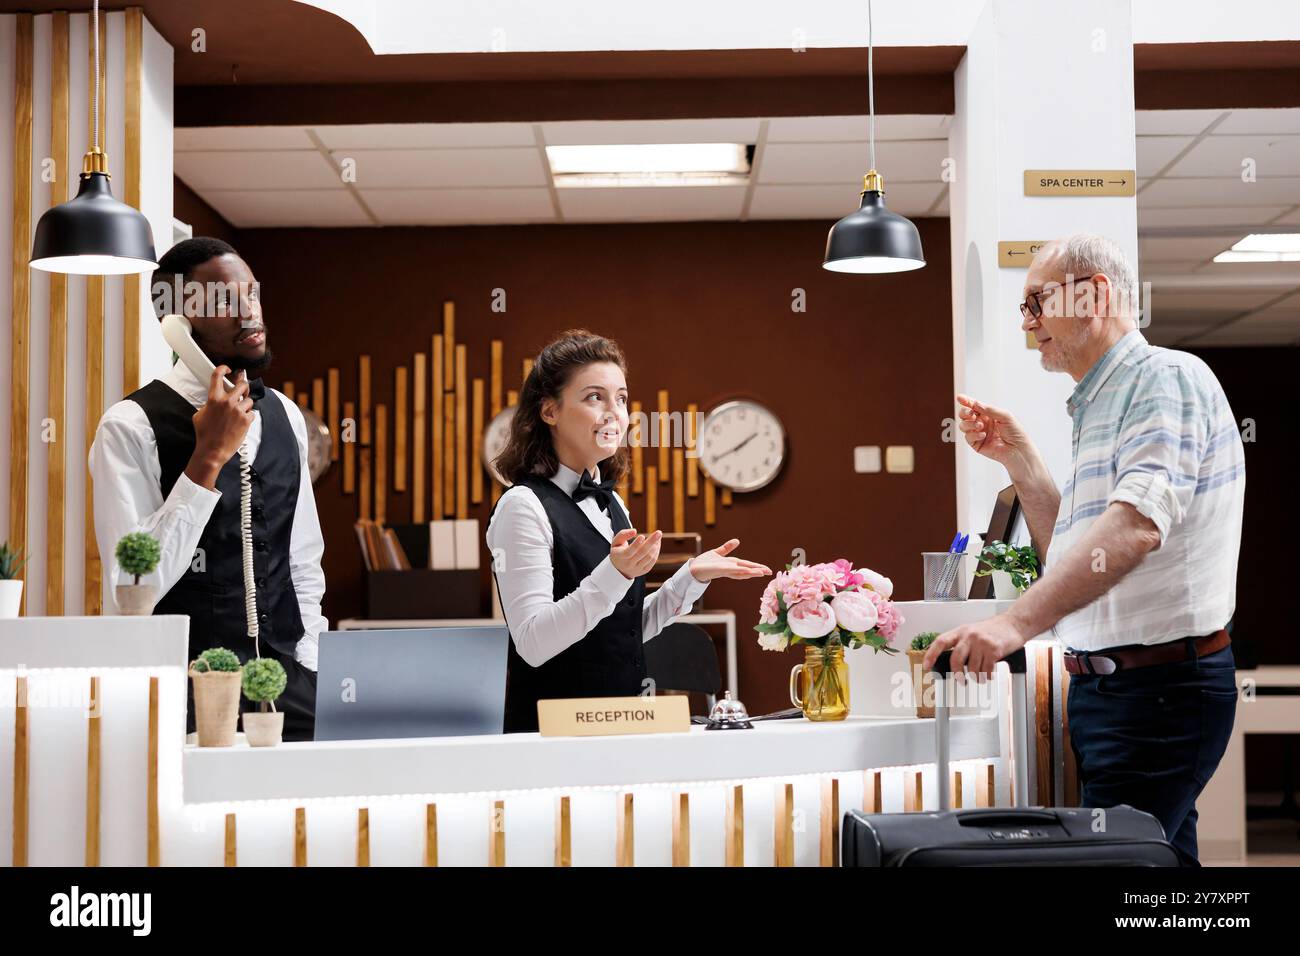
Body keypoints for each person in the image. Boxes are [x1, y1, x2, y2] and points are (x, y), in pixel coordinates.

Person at [923, 233, 1245, 865]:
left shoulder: (1164, 380)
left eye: (1037, 302)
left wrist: (1013, 623)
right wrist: (1020, 459)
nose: (1028, 324)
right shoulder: (1097, 404)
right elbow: (1071, 550)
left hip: (1160, 690)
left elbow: (1134, 530)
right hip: (1114, 693)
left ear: (1095, 293)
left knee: (1117, 871)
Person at [89, 237, 326, 741]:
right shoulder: (129, 427)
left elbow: (302, 557)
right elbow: (131, 588)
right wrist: (207, 459)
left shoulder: (285, 414)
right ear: (176, 323)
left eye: (252, 294)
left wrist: (309, 659)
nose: (249, 312)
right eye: (222, 301)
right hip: (186, 703)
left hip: (293, 690)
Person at [486, 329, 771, 733]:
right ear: (549, 411)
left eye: (620, 398)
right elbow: (533, 644)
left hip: (623, 727)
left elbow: (623, 627)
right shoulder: (522, 507)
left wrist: (688, 578)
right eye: (593, 397)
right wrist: (615, 574)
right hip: (552, 737)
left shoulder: (611, 502)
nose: (613, 412)